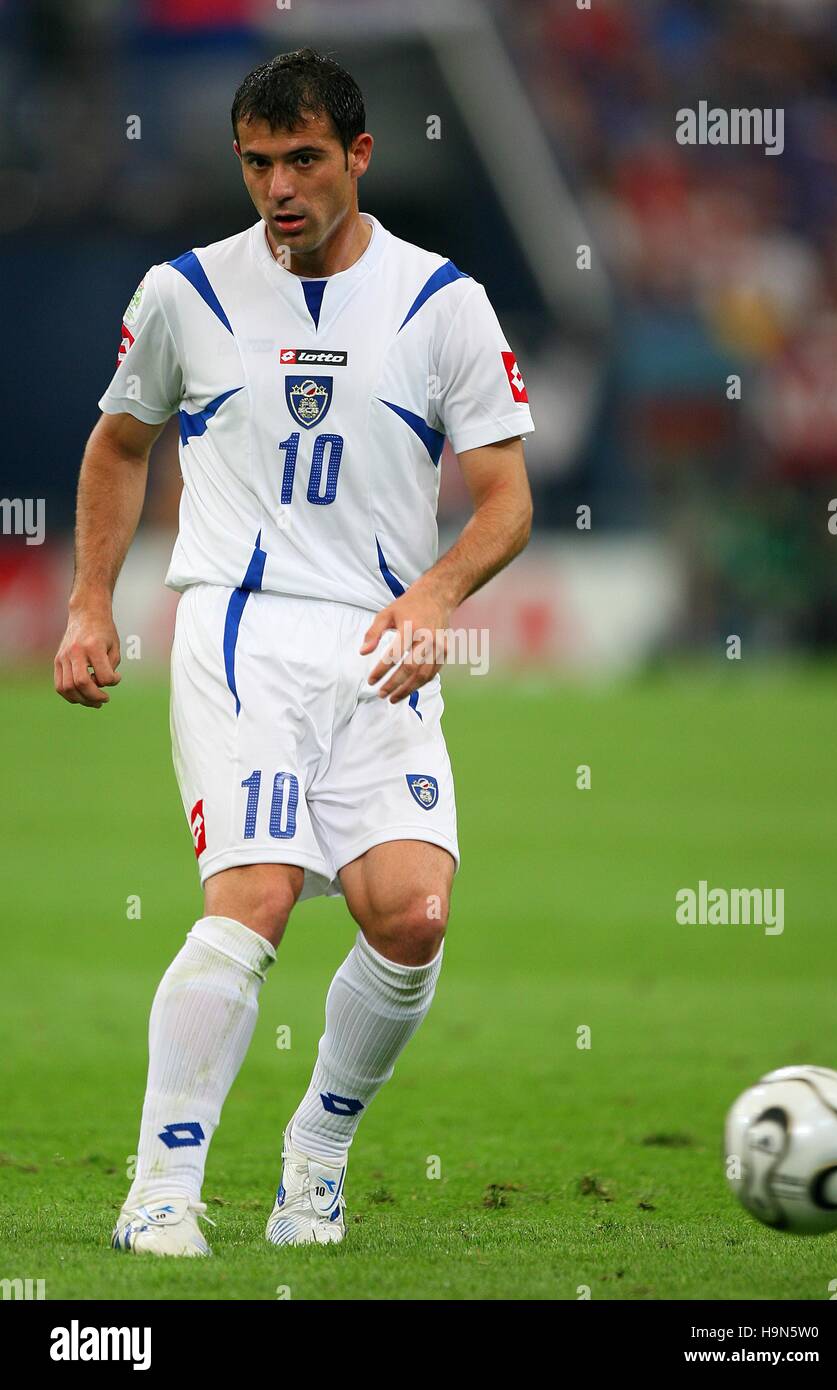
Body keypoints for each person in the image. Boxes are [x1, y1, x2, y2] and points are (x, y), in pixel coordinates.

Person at [54, 48, 534, 1255]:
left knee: (414, 914)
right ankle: (161, 1188)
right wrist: (88, 604)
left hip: (382, 641)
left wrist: (436, 593)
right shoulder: (185, 292)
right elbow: (119, 444)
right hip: (239, 629)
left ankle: (313, 1156)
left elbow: (505, 497)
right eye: (259, 162)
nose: (280, 187)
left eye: (304, 160)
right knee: (255, 897)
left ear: (358, 157)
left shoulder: (440, 303)